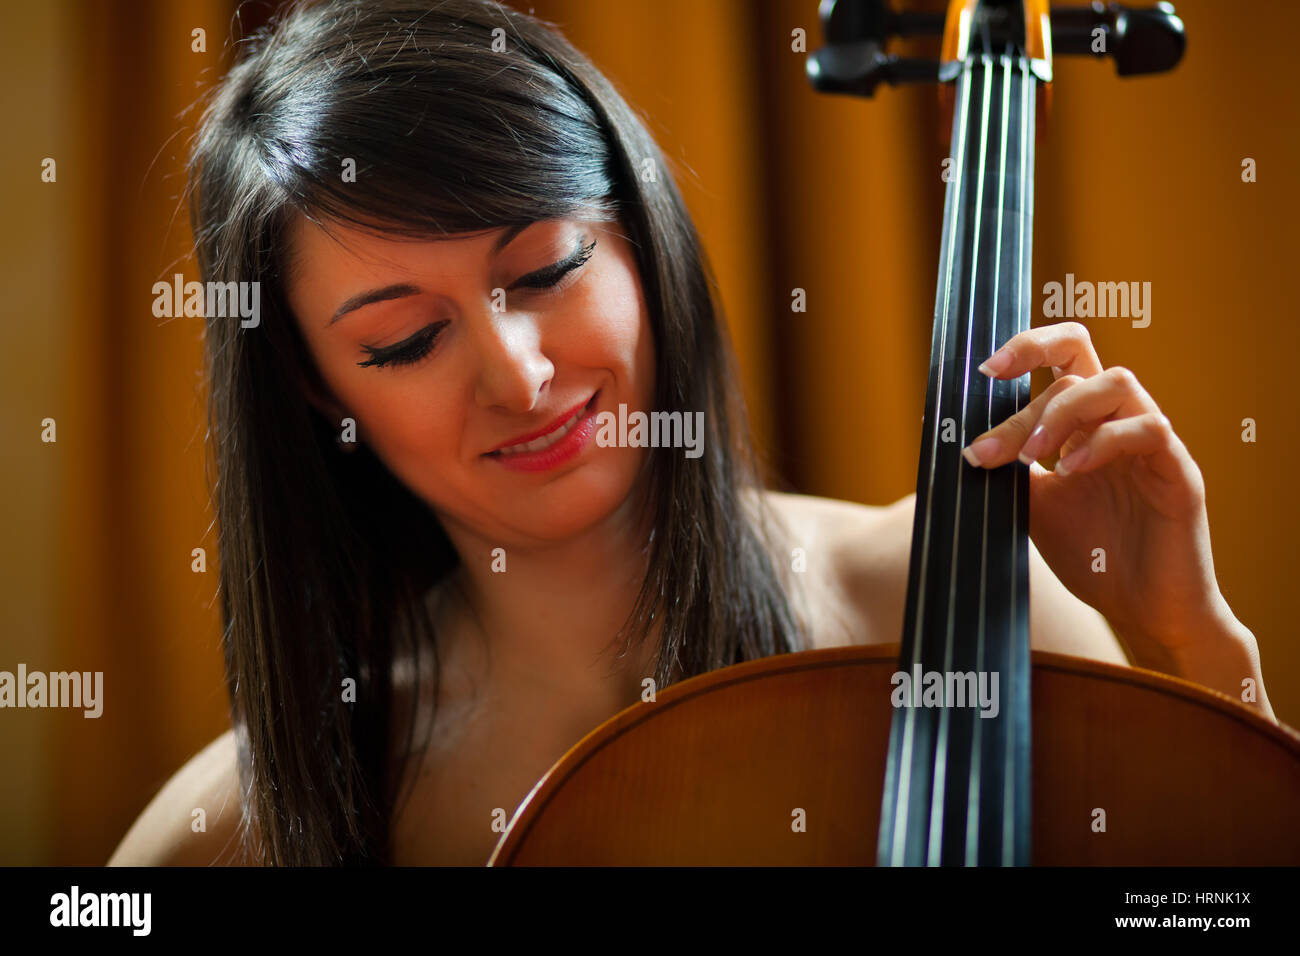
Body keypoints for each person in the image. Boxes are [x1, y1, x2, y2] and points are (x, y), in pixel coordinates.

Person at [107, 0, 1276, 867]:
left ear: (639, 243)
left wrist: (1190, 648)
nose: (519, 375)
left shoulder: (951, 604)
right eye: (405, 340)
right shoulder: (239, 830)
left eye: (549, 267)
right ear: (316, 390)